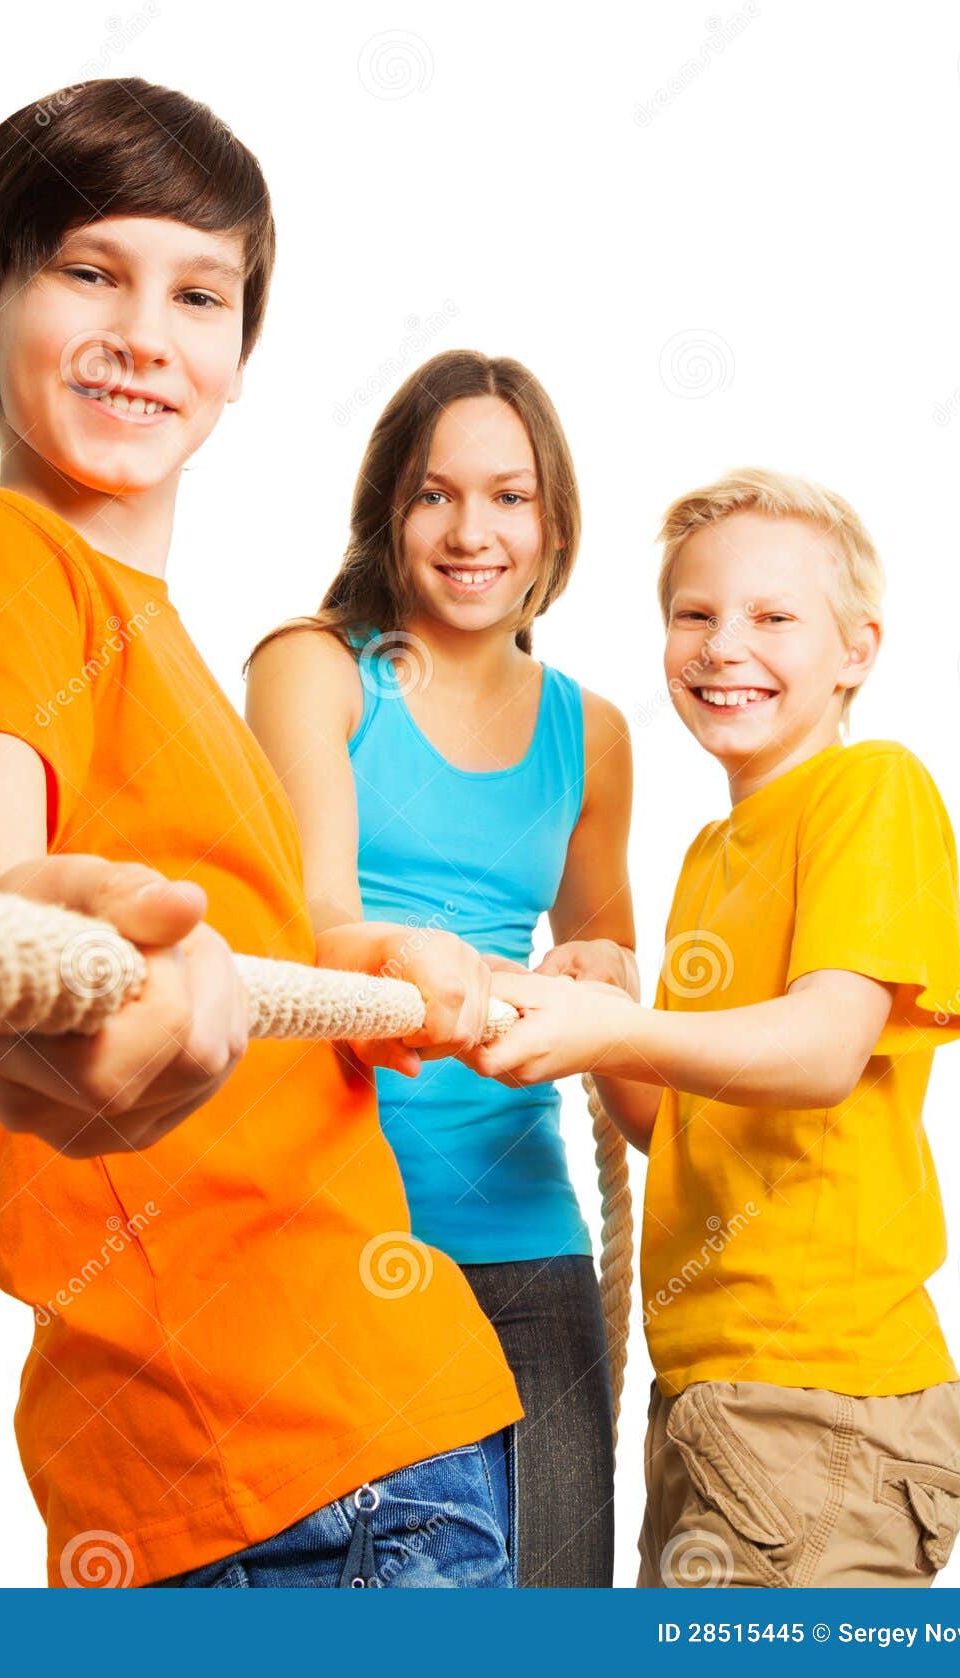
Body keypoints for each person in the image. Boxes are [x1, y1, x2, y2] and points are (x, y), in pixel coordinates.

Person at [0, 79, 522, 1590]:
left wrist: (378, 949)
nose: (147, 332)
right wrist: (36, 937)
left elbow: (261, 957)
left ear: (237, 360)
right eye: (88, 271)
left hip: (356, 1442)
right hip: (272, 1456)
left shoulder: (176, 658)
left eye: (199, 294)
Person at [465, 469, 960, 1586]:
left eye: (771, 616)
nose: (720, 643)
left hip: (818, 1403)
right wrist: (604, 1015)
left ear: (856, 650)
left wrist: (611, 1031)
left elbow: (822, 1049)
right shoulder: (709, 854)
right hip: (710, 1401)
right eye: (692, 614)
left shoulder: (869, 791)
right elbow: (681, 1124)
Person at [244, 351, 635, 1586]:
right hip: (343, 1222)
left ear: (553, 519)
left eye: (511, 496)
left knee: (559, 1619)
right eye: (435, 493)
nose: (475, 531)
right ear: (389, 512)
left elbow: (620, 1039)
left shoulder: (594, 734)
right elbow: (309, 926)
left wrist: (605, 980)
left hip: (528, 1240)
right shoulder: (312, 668)